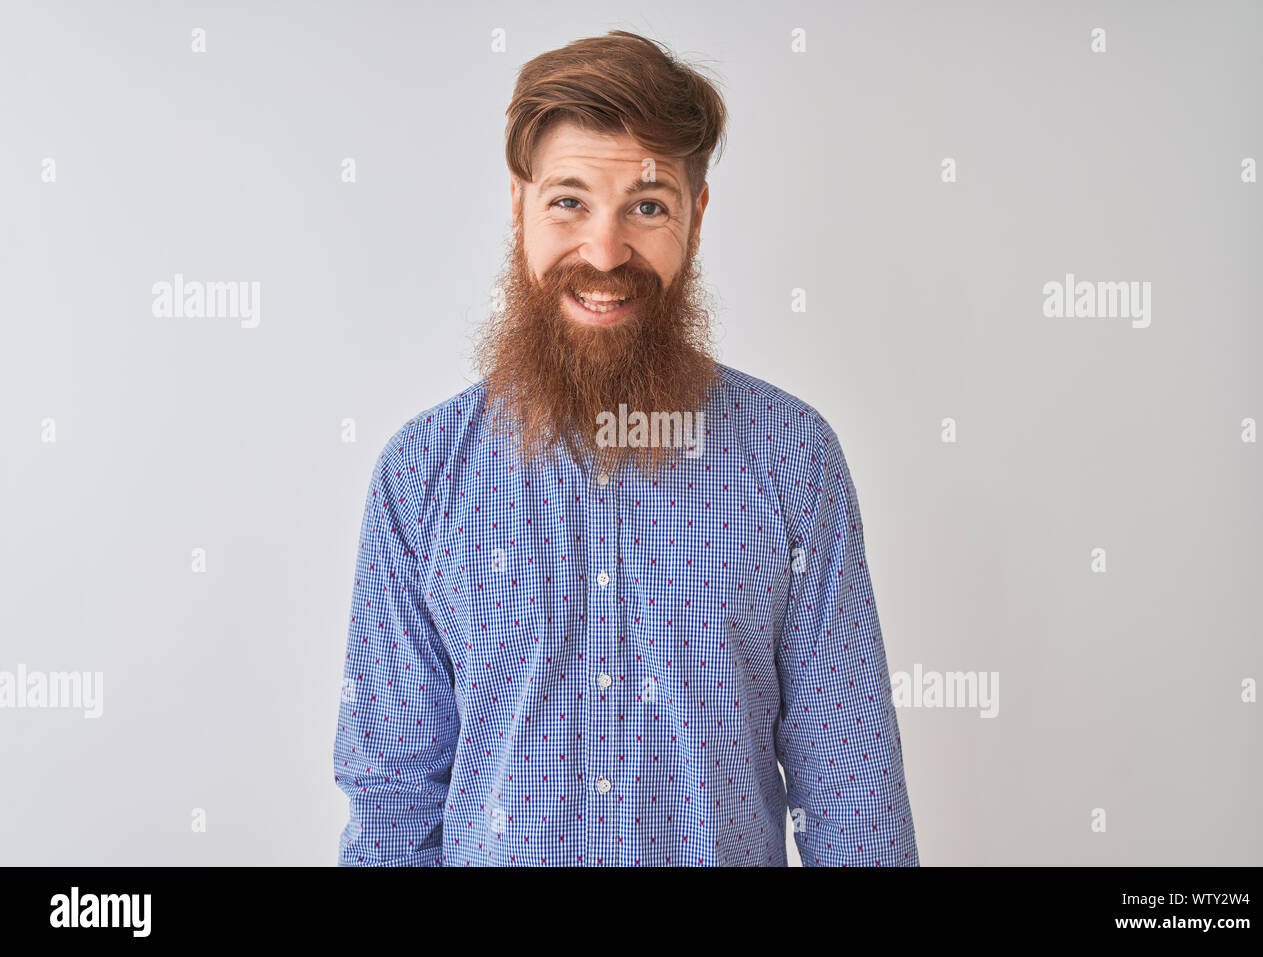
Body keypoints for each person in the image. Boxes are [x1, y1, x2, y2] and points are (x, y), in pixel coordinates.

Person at [332, 29, 919, 866]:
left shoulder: (794, 459)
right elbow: (393, 809)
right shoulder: (419, 476)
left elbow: (855, 802)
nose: (604, 253)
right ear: (517, 206)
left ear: (696, 215)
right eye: (569, 201)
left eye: (646, 206)